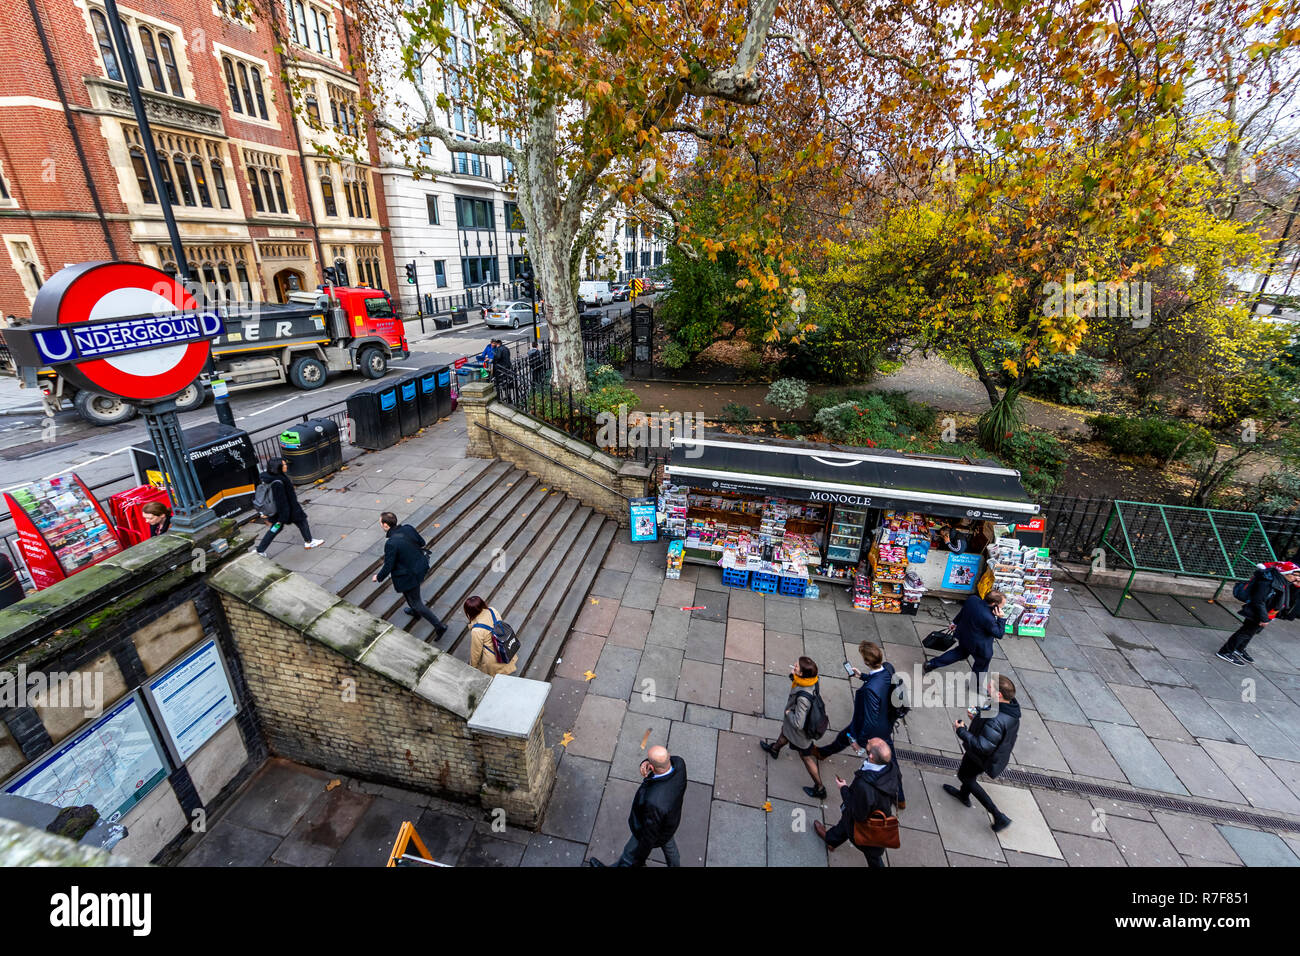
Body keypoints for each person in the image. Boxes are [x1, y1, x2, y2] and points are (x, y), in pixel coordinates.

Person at [815, 641, 905, 809]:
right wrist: (862, 676)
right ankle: (900, 797)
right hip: (886, 723)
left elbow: (869, 720)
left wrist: (860, 743)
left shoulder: (869, 691)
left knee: (846, 736)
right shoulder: (888, 668)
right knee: (891, 760)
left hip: (872, 728)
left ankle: (821, 753)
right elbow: (881, 681)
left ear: (866, 661)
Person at [942, 674, 1021, 832]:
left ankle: (998, 816)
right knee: (968, 775)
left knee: (965, 776)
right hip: (988, 755)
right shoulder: (1009, 708)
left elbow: (983, 746)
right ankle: (963, 796)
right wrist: (977, 714)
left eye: (990, 687)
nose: (987, 688)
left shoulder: (997, 719)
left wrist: (962, 730)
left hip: (981, 756)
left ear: (999, 694)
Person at [587, 745, 687, 867]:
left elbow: (648, 836)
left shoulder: (654, 802)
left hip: (650, 827)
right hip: (669, 823)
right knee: (670, 848)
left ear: (651, 767)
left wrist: (639, 860)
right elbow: (667, 761)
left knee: (628, 855)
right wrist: (646, 761)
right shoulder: (680, 765)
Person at [813, 737, 900, 867]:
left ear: (871, 756)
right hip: (876, 809)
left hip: (869, 825)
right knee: (845, 823)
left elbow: (858, 814)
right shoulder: (891, 767)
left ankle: (832, 840)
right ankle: (831, 840)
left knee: (872, 854)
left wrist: (843, 789)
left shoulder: (864, 786)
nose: (869, 739)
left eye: (870, 743)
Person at [760, 657, 829, 799]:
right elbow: (800, 684)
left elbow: (798, 723)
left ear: (803, 674)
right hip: (793, 730)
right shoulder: (813, 680)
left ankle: (820, 788)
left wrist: (788, 713)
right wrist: (794, 676)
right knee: (785, 733)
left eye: (797, 667)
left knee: (806, 757)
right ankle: (774, 749)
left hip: (801, 734)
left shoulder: (803, 699)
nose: (794, 666)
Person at [373, 512, 446, 640]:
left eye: (380, 523)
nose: (380, 524)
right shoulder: (408, 528)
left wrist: (378, 577)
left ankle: (439, 626)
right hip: (418, 567)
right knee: (410, 595)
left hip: (408, 575)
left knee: (417, 602)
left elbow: (388, 565)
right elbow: (421, 542)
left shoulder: (391, 543)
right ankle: (415, 612)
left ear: (385, 525)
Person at [1217, 561, 1300, 665]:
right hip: (1257, 613)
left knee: (1251, 632)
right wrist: (1264, 618)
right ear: (1285, 573)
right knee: (1245, 632)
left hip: (1266, 613)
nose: (1297, 578)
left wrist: (1296, 584)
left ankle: (1239, 648)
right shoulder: (1267, 582)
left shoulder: (1281, 580)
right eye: (1295, 575)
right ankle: (1225, 652)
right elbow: (1258, 601)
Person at [923, 590, 1006, 678]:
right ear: (994, 604)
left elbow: (962, 612)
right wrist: (1001, 618)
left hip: (964, 636)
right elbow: (999, 634)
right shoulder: (989, 618)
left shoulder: (973, 599)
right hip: (979, 646)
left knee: (959, 653)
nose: (1003, 607)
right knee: (981, 665)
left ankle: (931, 664)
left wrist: (954, 622)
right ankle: (976, 686)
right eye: (1002, 605)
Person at [255, 456, 324, 554]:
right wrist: (282, 519)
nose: (286, 466)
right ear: (278, 467)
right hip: (288, 510)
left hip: (279, 511)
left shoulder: (270, 477)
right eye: (284, 465)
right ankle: (309, 542)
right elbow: (282, 501)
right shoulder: (278, 482)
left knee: (275, 530)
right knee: (301, 522)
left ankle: (260, 550)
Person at [465, 595, 516, 674]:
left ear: (469, 612)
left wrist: (473, 667)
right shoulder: (492, 610)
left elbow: (476, 652)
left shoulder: (477, 630)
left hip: (493, 658)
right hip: (505, 647)